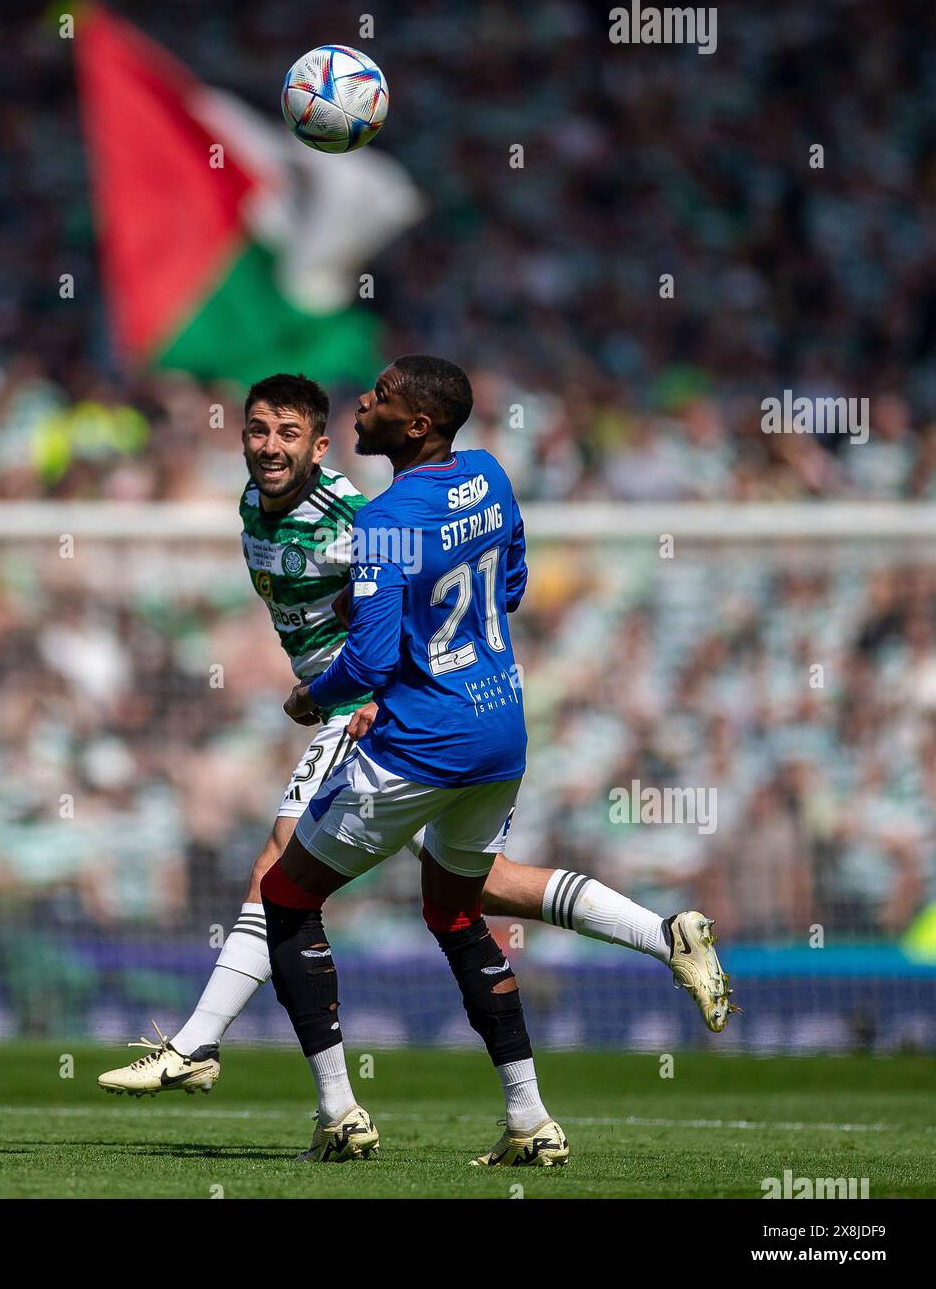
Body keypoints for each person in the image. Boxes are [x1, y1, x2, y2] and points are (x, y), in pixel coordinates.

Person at [98, 369, 734, 1119]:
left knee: (279, 872)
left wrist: (343, 696)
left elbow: (384, 628)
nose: (270, 448)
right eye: (258, 432)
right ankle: (664, 938)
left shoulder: (366, 517)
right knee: (479, 888)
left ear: (325, 445)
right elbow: (502, 578)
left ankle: (203, 1048)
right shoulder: (270, 501)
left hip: (373, 713)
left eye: (289, 435)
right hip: (468, 717)